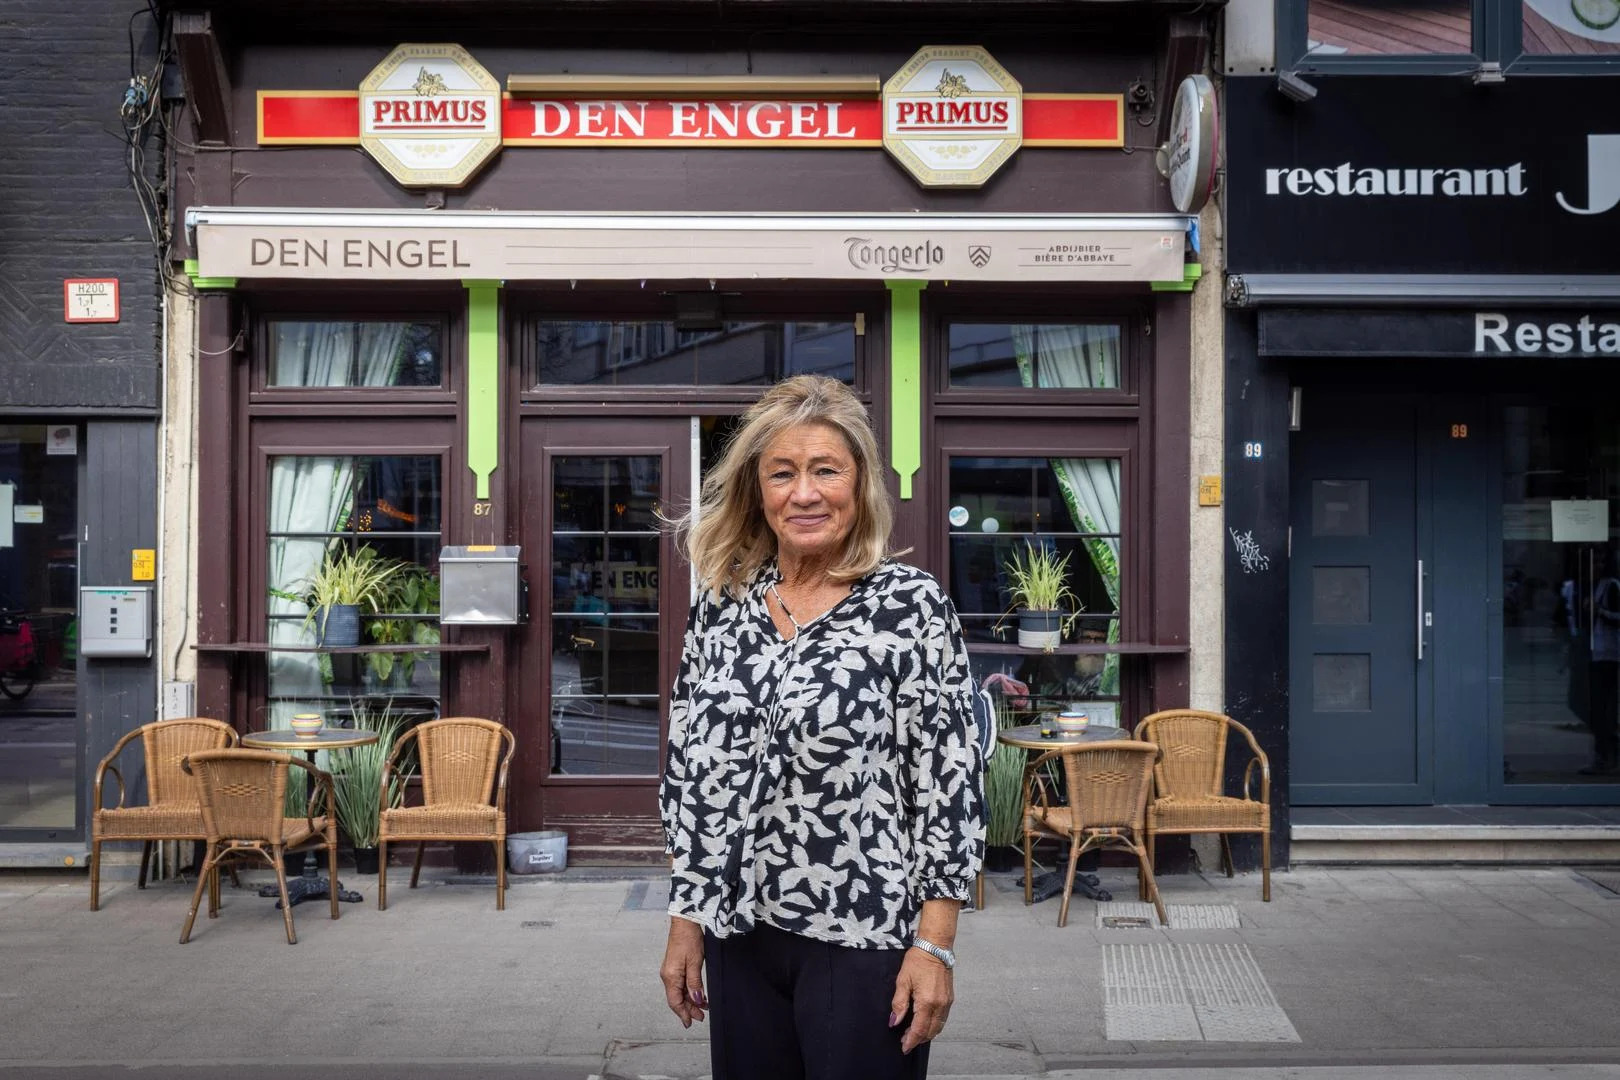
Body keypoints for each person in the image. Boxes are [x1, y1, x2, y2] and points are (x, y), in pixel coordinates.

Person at [658, 375, 985, 1080]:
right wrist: (686, 919)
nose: (804, 493)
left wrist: (935, 945)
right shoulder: (722, 603)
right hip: (738, 933)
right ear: (758, 492)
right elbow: (690, 775)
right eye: (782, 473)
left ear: (859, 484)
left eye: (825, 471)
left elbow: (949, 786)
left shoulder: (910, 606)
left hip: (863, 935)